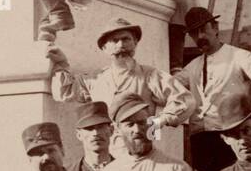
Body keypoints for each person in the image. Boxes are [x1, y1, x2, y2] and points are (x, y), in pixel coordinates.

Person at [176, 7, 251, 171]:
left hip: (231, 136)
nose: (200, 36)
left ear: (216, 28)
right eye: (194, 34)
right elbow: (169, 85)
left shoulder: (239, 56)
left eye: (203, 29)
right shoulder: (192, 67)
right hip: (201, 142)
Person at [49, 17, 194, 137]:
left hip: (142, 144)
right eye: (114, 41)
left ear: (135, 43)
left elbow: (185, 99)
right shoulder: (95, 79)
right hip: (109, 147)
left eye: (126, 39)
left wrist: (157, 123)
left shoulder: (150, 75)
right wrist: (61, 63)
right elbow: (64, 93)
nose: (121, 45)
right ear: (105, 48)